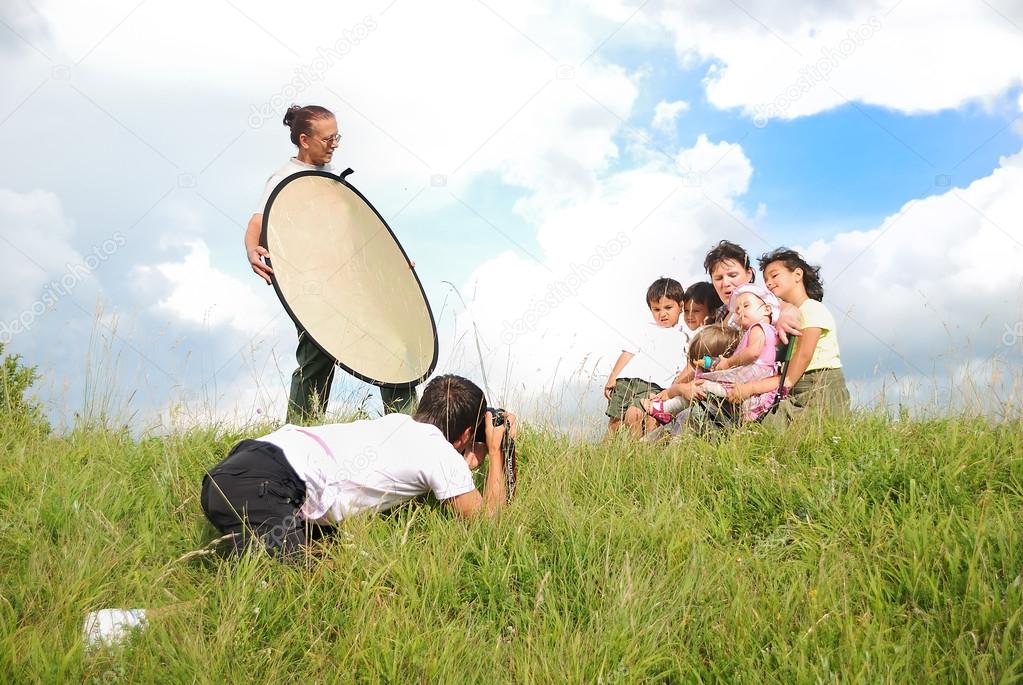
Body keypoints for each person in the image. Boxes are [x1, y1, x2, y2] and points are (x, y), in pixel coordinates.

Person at [200, 374, 515, 556]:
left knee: (319, 555)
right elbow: (489, 523)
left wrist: (464, 463)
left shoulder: (395, 424)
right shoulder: (442, 456)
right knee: (320, 587)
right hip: (267, 485)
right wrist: (498, 451)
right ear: (464, 434)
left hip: (240, 467)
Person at [243, 103, 415, 423]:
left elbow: (355, 234)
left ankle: (408, 427)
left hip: (352, 284)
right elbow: (257, 222)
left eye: (337, 138)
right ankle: (299, 435)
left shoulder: (334, 176)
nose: (334, 145)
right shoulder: (285, 178)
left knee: (391, 346)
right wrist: (253, 250)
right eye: (327, 139)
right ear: (305, 140)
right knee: (317, 361)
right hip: (313, 289)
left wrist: (392, 264)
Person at [726, 248, 850, 426]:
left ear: (797, 274)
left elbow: (804, 354)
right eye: (766, 280)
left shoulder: (812, 308)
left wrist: (786, 383)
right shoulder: (788, 316)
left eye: (774, 275)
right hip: (797, 383)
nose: (769, 283)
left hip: (819, 383)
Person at [648, 284, 782, 424]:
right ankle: (666, 409)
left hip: (750, 376)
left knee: (701, 385)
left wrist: (729, 363)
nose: (740, 311)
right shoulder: (771, 331)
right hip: (754, 379)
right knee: (701, 389)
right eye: (737, 309)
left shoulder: (758, 328)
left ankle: (665, 408)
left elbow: (754, 352)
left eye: (746, 306)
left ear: (767, 309)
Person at [603, 277, 687, 437]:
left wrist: (672, 388)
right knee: (615, 422)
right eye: (656, 309)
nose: (662, 314)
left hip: (655, 384)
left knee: (635, 416)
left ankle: (637, 453)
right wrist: (613, 376)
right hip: (627, 380)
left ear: (681, 306)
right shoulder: (646, 329)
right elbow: (629, 352)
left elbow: (684, 366)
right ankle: (604, 453)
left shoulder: (683, 334)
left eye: (668, 307)